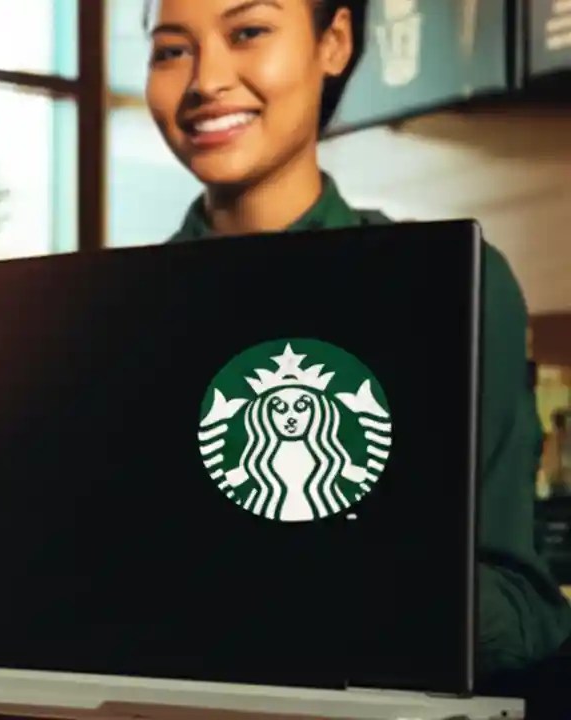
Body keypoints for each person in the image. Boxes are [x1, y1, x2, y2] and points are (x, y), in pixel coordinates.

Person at [142, 0, 571, 680]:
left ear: (334, 41)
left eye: (248, 32)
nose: (205, 80)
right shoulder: (115, 318)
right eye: (171, 50)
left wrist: (340, 579)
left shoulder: (447, 286)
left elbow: (522, 611)